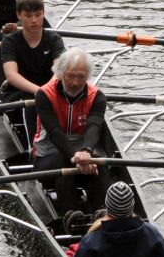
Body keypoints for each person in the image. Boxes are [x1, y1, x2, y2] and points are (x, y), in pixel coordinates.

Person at [33, 48, 110, 225]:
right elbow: (54, 132)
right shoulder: (44, 95)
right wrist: (76, 156)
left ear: (88, 76)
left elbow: (94, 127)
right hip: (47, 159)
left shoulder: (97, 97)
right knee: (64, 163)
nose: (75, 82)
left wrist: (86, 151)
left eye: (81, 77)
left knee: (101, 164)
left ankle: (103, 214)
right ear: (60, 74)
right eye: (70, 76)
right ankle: (71, 216)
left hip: (83, 155)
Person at [0, 0, 64, 143]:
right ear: (19, 15)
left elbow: (59, 69)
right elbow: (11, 75)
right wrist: (40, 91)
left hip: (48, 90)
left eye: (38, 15)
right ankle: (33, 150)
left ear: (43, 13)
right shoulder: (10, 41)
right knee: (33, 103)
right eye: (28, 16)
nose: (34, 20)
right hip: (18, 94)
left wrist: (48, 89)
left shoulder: (54, 39)